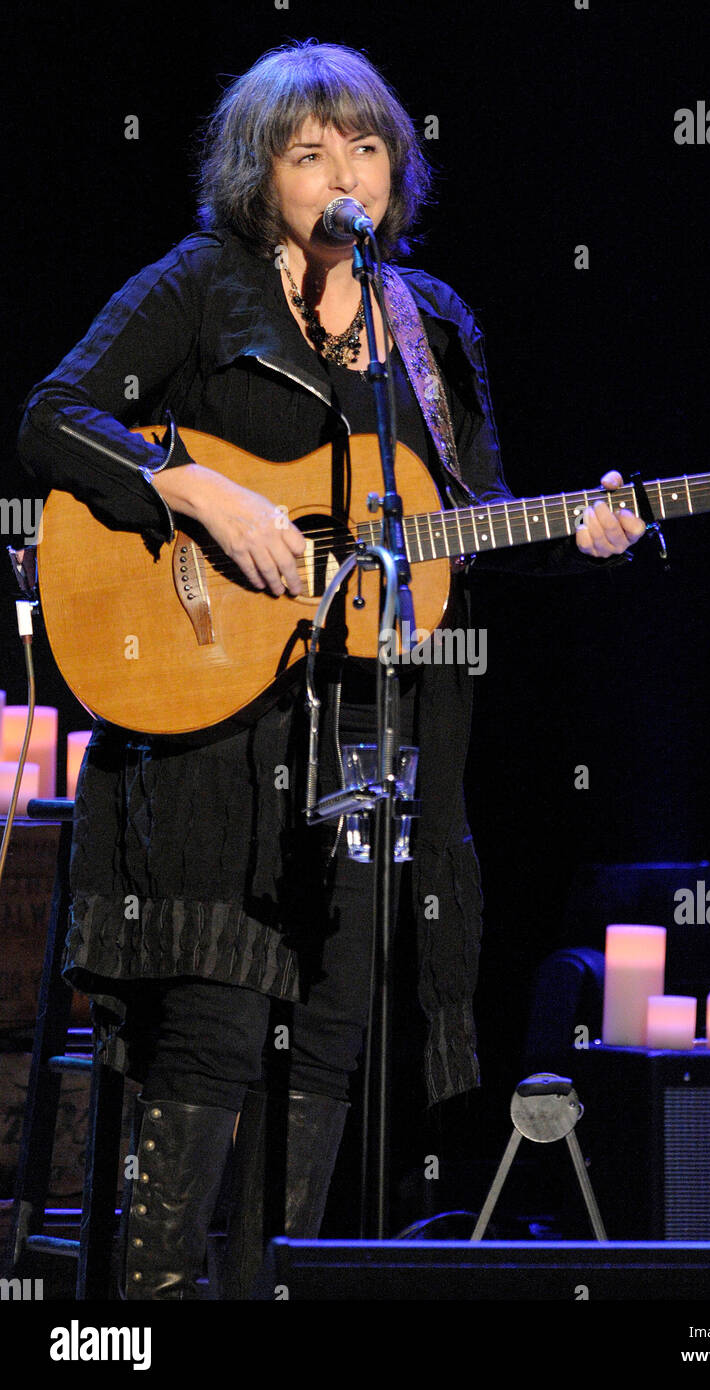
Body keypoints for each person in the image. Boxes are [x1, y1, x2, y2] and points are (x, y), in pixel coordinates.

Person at [17, 40, 645, 1299]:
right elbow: (52, 414)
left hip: (365, 753)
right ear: (263, 176)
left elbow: (468, 521)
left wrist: (579, 539)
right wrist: (199, 492)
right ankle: (131, 1324)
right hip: (205, 755)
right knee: (211, 1038)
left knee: (325, 1051)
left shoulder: (431, 325)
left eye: (364, 146)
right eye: (309, 151)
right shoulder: (204, 285)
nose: (340, 170)